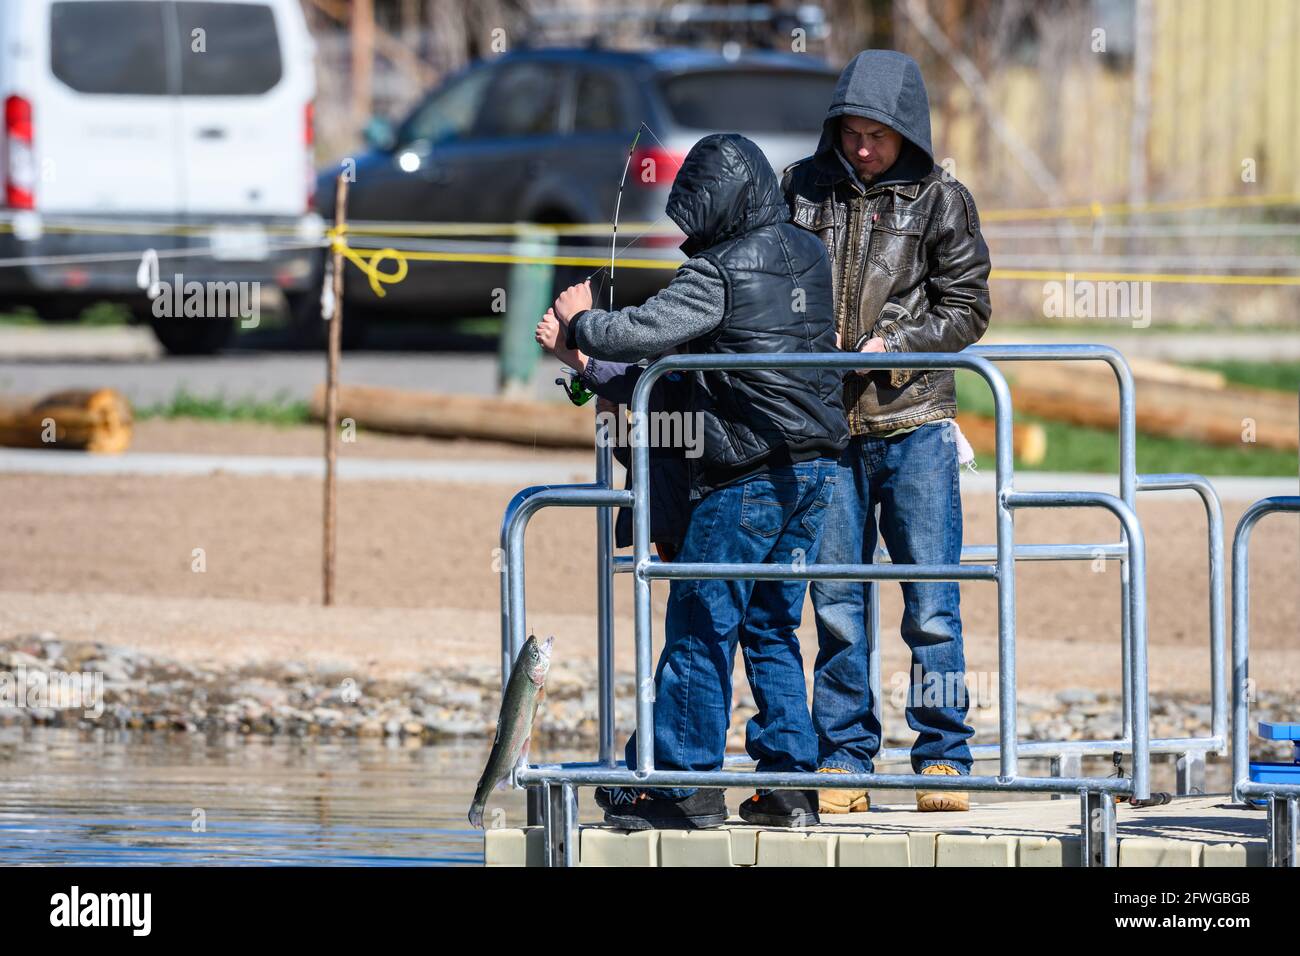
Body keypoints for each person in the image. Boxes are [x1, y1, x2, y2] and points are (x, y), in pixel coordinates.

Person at [547, 133, 848, 829]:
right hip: (816, 470)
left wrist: (577, 324)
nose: (690, 231)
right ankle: (789, 786)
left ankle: (681, 783)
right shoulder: (810, 252)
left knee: (700, 623)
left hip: (743, 472)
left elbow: (642, 332)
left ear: (719, 206)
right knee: (773, 627)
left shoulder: (717, 273)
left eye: (695, 214)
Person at [782, 50, 993, 813]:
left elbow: (967, 306)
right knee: (836, 603)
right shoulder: (797, 188)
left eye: (879, 135)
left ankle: (944, 755)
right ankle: (845, 757)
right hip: (825, 431)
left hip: (915, 425)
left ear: (910, 132)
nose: (863, 148)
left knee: (933, 604)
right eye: (851, 133)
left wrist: (897, 343)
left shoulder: (944, 199)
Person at [534, 310, 691, 560]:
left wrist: (574, 353)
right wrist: (615, 419)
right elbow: (647, 459)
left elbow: (647, 387)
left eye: (659, 354)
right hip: (678, 530)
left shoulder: (688, 385)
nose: (653, 363)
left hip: (700, 523)